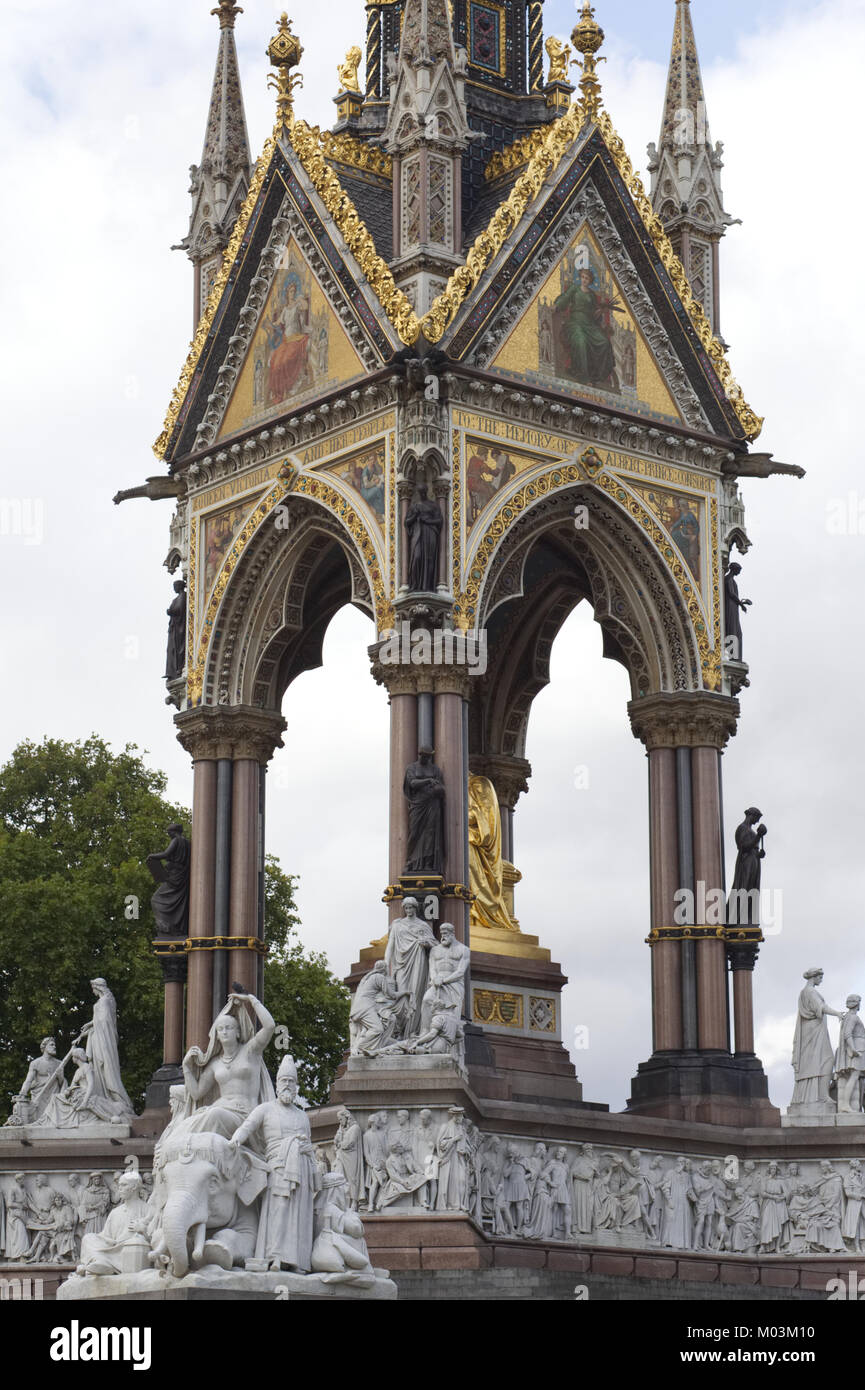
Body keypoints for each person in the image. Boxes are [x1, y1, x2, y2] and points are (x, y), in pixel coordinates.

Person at [231, 1055, 321, 1273]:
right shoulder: (266, 1109)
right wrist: (234, 1141)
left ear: (296, 1086)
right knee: (279, 1213)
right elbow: (247, 1127)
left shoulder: (302, 1116)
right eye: (283, 1081)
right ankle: (275, 1258)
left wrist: (309, 1156)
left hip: (302, 1169)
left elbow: (309, 1143)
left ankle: (297, 1260)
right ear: (277, 1084)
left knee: (300, 1215)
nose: (287, 1085)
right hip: (279, 1167)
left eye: (291, 1081)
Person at [179, 992, 276, 1140]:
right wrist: (186, 1068)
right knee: (189, 1123)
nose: (224, 1032)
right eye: (221, 1029)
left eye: (229, 1028)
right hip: (219, 1109)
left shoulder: (251, 1050)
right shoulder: (215, 1063)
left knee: (213, 1115)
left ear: (237, 1032)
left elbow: (269, 1026)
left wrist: (251, 1000)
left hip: (245, 1114)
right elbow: (197, 1093)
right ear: (216, 1035)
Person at [76, 1171, 150, 1277]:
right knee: (88, 1237)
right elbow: (106, 1235)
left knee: (137, 1241)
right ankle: (101, 1263)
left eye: (123, 1185)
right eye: (119, 1185)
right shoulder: (115, 1212)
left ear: (134, 1187)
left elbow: (156, 1237)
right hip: (113, 1248)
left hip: (129, 1252)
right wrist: (104, 1239)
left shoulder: (148, 1209)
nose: (119, 1188)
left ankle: (102, 1264)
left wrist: (143, 1229)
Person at [554, 266, 618, 386]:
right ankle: (582, 376)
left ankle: (597, 375)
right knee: (581, 340)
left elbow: (594, 314)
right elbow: (565, 298)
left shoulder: (592, 295)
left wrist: (600, 311)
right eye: (583, 277)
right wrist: (557, 305)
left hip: (589, 324)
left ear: (590, 281)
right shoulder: (574, 289)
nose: (584, 280)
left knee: (604, 342)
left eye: (587, 278)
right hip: (575, 322)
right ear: (580, 278)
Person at [790, 968, 844, 1109]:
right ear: (814, 977)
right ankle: (822, 1096)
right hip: (814, 1031)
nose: (821, 980)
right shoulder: (810, 992)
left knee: (813, 1061)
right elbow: (821, 1007)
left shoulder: (804, 992)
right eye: (820, 977)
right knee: (826, 1059)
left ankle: (815, 1095)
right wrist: (837, 1013)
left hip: (812, 1030)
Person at [384, 897, 437, 1037]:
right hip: (401, 965)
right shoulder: (397, 925)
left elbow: (435, 945)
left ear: (415, 908)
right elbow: (390, 946)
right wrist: (385, 964)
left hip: (418, 964)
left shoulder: (423, 925)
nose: (408, 910)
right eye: (406, 908)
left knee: (416, 994)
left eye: (411, 907)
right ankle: (400, 1031)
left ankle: (414, 1030)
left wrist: (426, 943)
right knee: (402, 995)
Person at [349, 961, 408, 1055]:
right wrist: (405, 992)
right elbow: (391, 995)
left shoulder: (367, 978)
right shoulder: (379, 977)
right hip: (365, 1007)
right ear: (385, 969)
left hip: (359, 1008)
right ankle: (358, 1048)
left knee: (380, 1024)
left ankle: (371, 1047)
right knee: (377, 1029)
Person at [420, 923, 470, 1031]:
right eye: (442, 934)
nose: (443, 936)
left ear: (452, 934)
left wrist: (444, 980)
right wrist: (435, 979)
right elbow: (432, 968)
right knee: (426, 1000)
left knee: (453, 1010)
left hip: (454, 984)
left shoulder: (463, 949)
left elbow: (461, 971)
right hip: (437, 982)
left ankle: (450, 1035)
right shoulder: (435, 950)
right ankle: (425, 1031)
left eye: (446, 934)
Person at [147, 823, 191, 937]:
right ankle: (175, 927)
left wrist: (152, 856)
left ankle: (164, 925)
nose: (168, 835)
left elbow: (166, 854)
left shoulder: (176, 840)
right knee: (180, 903)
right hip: (182, 877)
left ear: (174, 831)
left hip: (174, 877)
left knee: (155, 899)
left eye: (169, 833)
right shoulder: (188, 843)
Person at [405, 486, 442, 593]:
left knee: (430, 559)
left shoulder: (433, 505)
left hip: (430, 533)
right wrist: (415, 516)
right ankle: (414, 585)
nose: (422, 494)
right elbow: (407, 522)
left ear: (426, 492)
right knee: (417, 557)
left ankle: (428, 586)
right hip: (418, 534)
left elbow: (439, 520)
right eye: (420, 492)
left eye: (424, 492)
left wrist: (428, 521)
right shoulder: (415, 507)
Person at [834, 994, 865, 1113]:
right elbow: (848, 1034)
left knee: (854, 1077)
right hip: (858, 1050)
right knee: (854, 1076)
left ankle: (846, 1105)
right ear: (857, 1003)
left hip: (858, 1049)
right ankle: (845, 1105)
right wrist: (854, 1050)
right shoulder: (853, 1017)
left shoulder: (848, 1017)